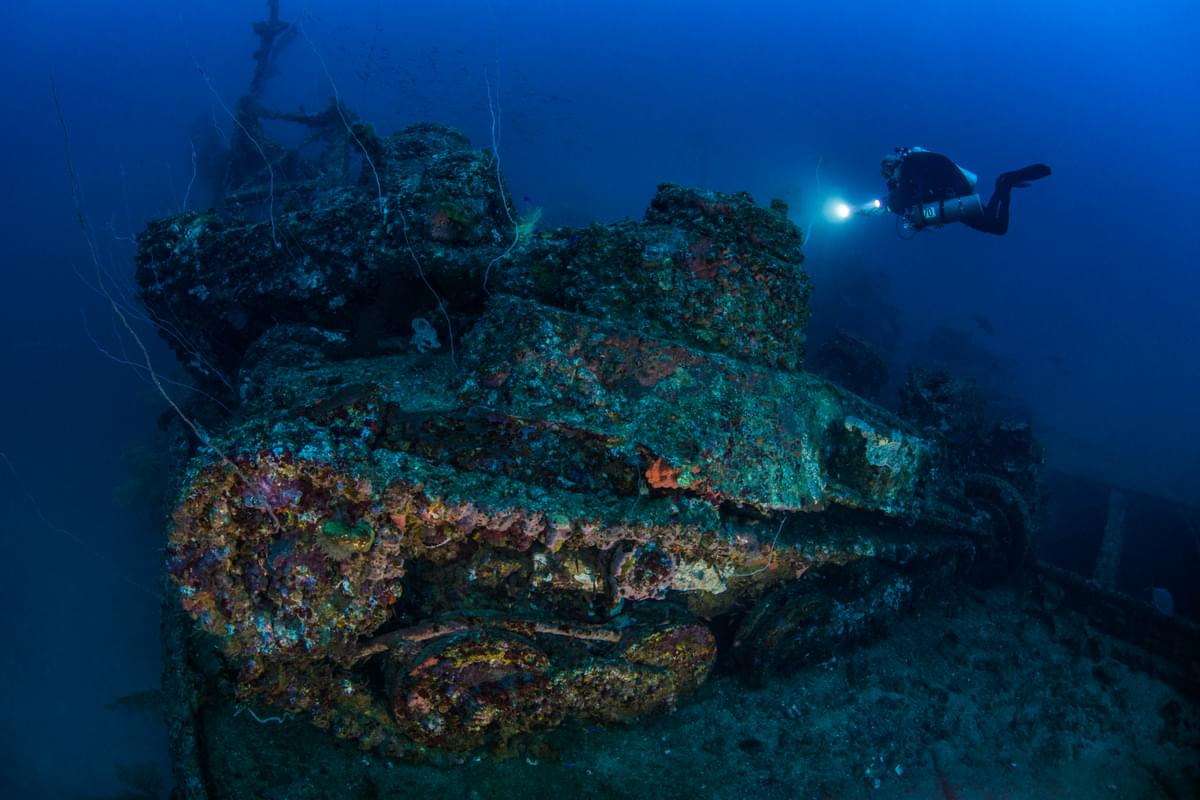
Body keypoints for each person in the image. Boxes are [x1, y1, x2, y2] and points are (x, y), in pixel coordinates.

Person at [880, 146, 1050, 235]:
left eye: (888, 174)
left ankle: (1004, 182)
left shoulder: (912, 164)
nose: (891, 178)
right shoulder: (910, 170)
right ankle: (1004, 184)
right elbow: (915, 194)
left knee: (996, 226)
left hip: (955, 194)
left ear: (893, 165)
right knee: (998, 227)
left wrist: (920, 213)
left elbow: (922, 190)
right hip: (952, 195)